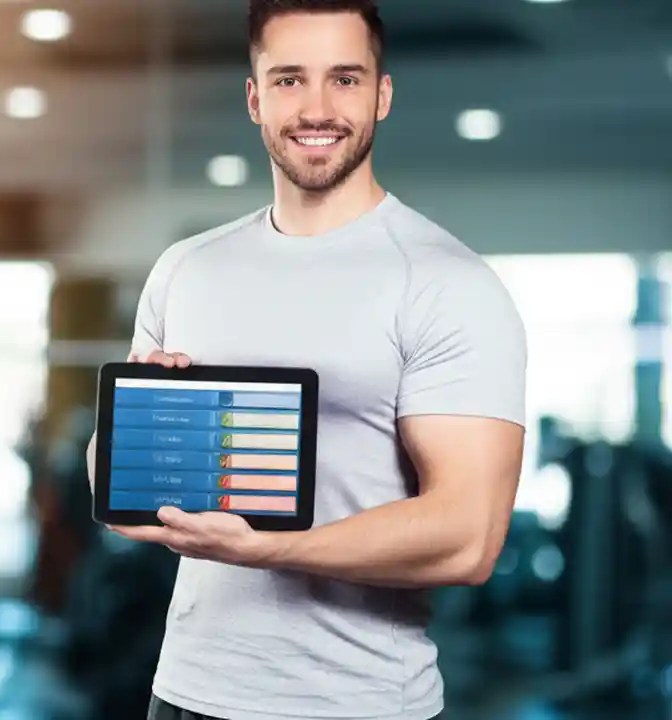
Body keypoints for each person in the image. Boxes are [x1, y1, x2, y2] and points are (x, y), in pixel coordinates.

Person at [85, 1, 528, 718]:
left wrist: (268, 550)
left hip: (357, 704)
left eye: (345, 79)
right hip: (186, 694)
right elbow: (109, 469)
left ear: (382, 94)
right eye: (290, 80)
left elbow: (468, 537)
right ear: (255, 97)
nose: (317, 107)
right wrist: (140, 439)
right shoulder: (186, 268)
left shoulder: (447, 283)